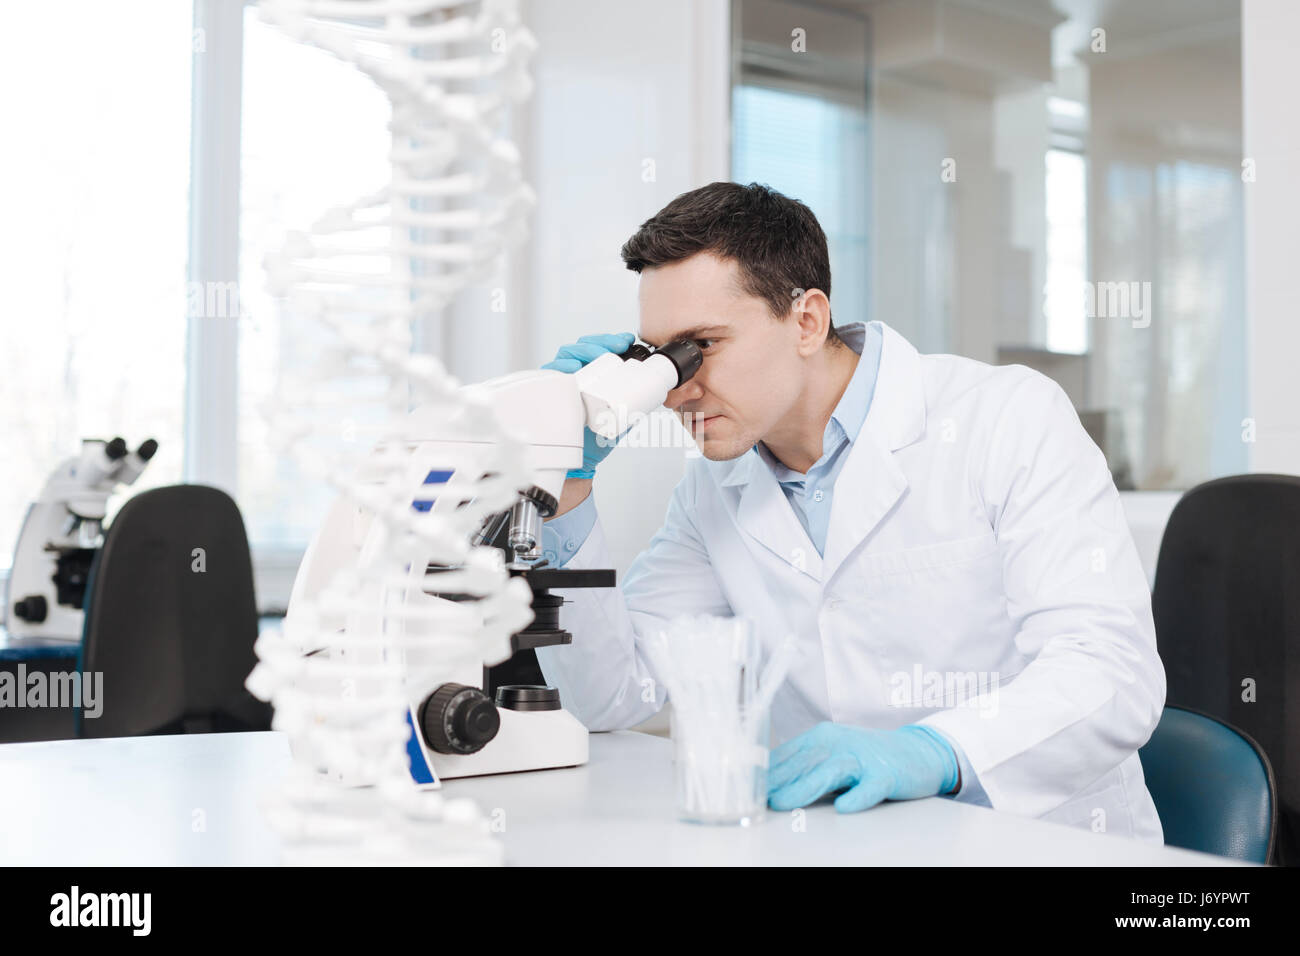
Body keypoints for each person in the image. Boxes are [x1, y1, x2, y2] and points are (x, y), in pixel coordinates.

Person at [533, 181, 1165, 841]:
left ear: (806, 321)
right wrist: (566, 485)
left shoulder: (1006, 418)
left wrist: (935, 750)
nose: (677, 390)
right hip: (841, 844)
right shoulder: (709, 494)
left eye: (702, 347)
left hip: (1041, 842)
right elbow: (607, 698)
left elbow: (1111, 673)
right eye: (663, 359)